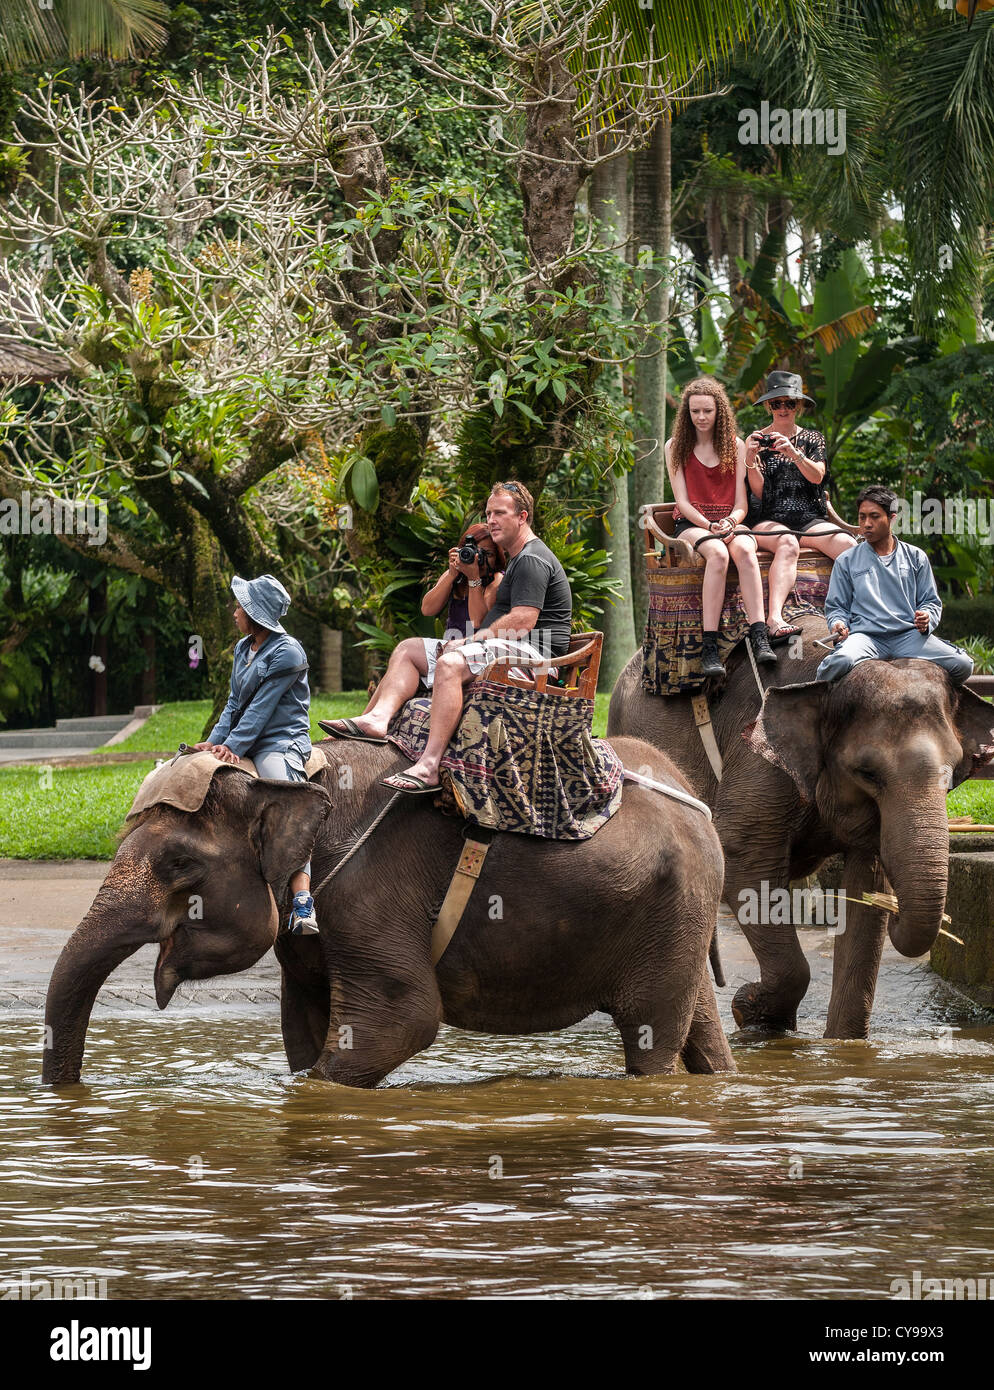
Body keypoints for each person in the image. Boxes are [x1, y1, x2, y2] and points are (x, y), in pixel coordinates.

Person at [325, 481, 573, 794]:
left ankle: (429, 766)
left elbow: (523, 620)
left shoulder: (532, 559)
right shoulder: (518, 559)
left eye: (500, 512)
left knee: (450, 663)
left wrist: (472, 640)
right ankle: (377, 718)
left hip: (530, 660)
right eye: (488, 512)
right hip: (505, 648)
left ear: (522, 517)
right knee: (409, 649)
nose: (492, 519)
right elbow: (437, 610)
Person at [192, 574, 319, 935]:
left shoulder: (287, 652)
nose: (234, 612)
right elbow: (234, 703)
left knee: (283, 797)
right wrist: (214, 741)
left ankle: (302, 901)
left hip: (279, 741)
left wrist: (232, 746)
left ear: (255, 613)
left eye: (240, 606)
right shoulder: (242, 648)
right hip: (246, 736)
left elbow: (260, 710)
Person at [666, 376, 777, 678]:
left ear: (720, 412)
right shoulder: (675, 446)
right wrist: (710, 525)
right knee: (717, 554)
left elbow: (741, 502)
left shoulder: (736, 446)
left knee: (744, 548)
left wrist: (731, 521)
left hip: (729, 521)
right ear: (687, 414)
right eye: (695, 412)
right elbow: (683, 501)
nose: (701, 418)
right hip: (693, 522)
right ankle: (710, 645)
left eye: (707, 411)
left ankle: (759, 634)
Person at [816, 485, 973, 685]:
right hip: (866, 637)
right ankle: (819, 711)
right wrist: (838, 623)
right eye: (862, 517)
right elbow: (837, 607)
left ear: (892, 518)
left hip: (908, 637)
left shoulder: (916, 557)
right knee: (838, 662)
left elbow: (930, 602)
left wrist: (927, 617)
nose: (866, 524)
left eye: (874, 516)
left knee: (963, 663)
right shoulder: (846, 560)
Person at [745, 369, 856, 643]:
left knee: (849, 546)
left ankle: (860, 613)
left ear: (799, 406)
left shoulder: (812, 439)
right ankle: (774, 619)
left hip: (809, 518)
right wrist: (749, 458)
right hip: (770, 518)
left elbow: (817, 476)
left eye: (789, 403)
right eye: (776, 403)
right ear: (769, 406)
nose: (783, 409)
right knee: (787, 543)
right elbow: (759, 493)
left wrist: (794, 454)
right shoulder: (758, 439)